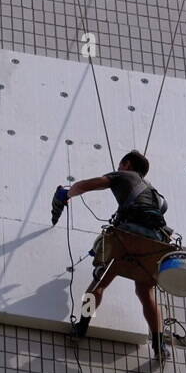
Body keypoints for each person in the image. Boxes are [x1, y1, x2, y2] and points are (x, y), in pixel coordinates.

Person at [51, 150, 173, 361]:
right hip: (155, 245)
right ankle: (159, 345)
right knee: (146, 294)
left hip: (127, 237)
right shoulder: (157, 196)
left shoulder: (124, 176)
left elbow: (86, 185)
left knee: (99, 283)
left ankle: (82, 326)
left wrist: (66, 194)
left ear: (126, 164)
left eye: (120, 165)